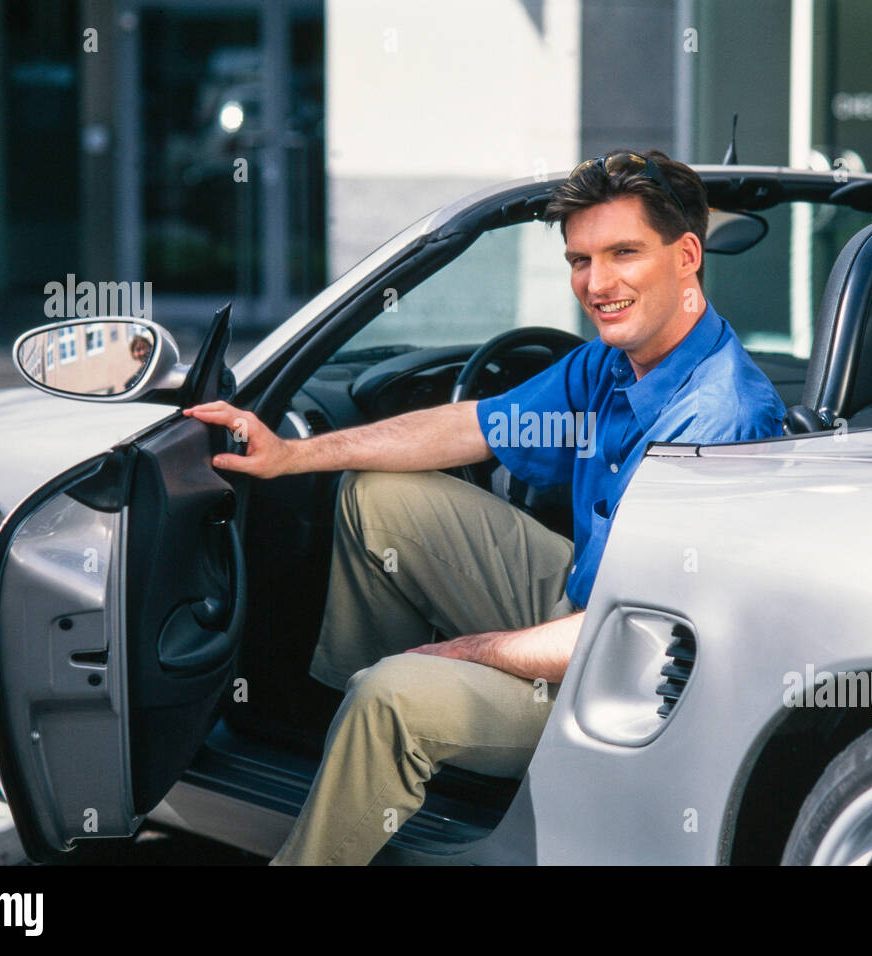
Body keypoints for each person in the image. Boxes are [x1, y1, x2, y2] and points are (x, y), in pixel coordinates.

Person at [182, 149, 786, 865]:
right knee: (380, 499)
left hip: (635, 676)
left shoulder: (718, 420)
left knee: (394, 696)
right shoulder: (615, 361)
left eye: (624, 253)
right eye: (580, 259)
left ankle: (384, 734)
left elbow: (631, 639)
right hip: (588, 596)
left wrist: (462, 652)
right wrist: (293, 456)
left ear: (687, 256)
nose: (596, 284)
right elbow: (473, 425)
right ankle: (362, 749)